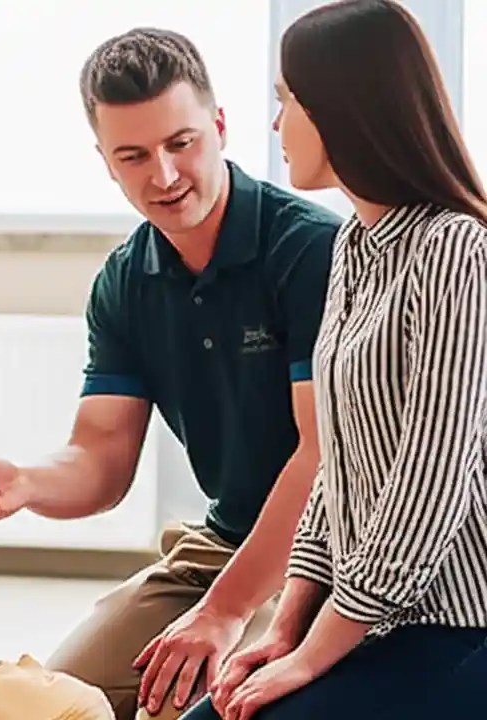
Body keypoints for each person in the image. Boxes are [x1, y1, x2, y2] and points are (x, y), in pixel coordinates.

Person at [0, 28, 342, 720]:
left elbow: (319, 458)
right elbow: (102, 457)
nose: (164, 176)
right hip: (221, 546)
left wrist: (225, 611)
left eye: (182, 144)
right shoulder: (123, 282)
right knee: (45, 704)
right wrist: (26, 483)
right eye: (134, 156)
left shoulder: (308, 251)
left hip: (321, 558)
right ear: (106, 163)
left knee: (193, 708)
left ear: (221, 126)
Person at [182, 2, 487, 718]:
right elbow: (337, 467)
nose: (275, 122)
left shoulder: (458, 253)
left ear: (343, 111)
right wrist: (287, 627)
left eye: (286, 102)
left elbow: (427, 483)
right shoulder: (354, 246)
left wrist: (314, 653)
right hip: (371, 622)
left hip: (458, 630)